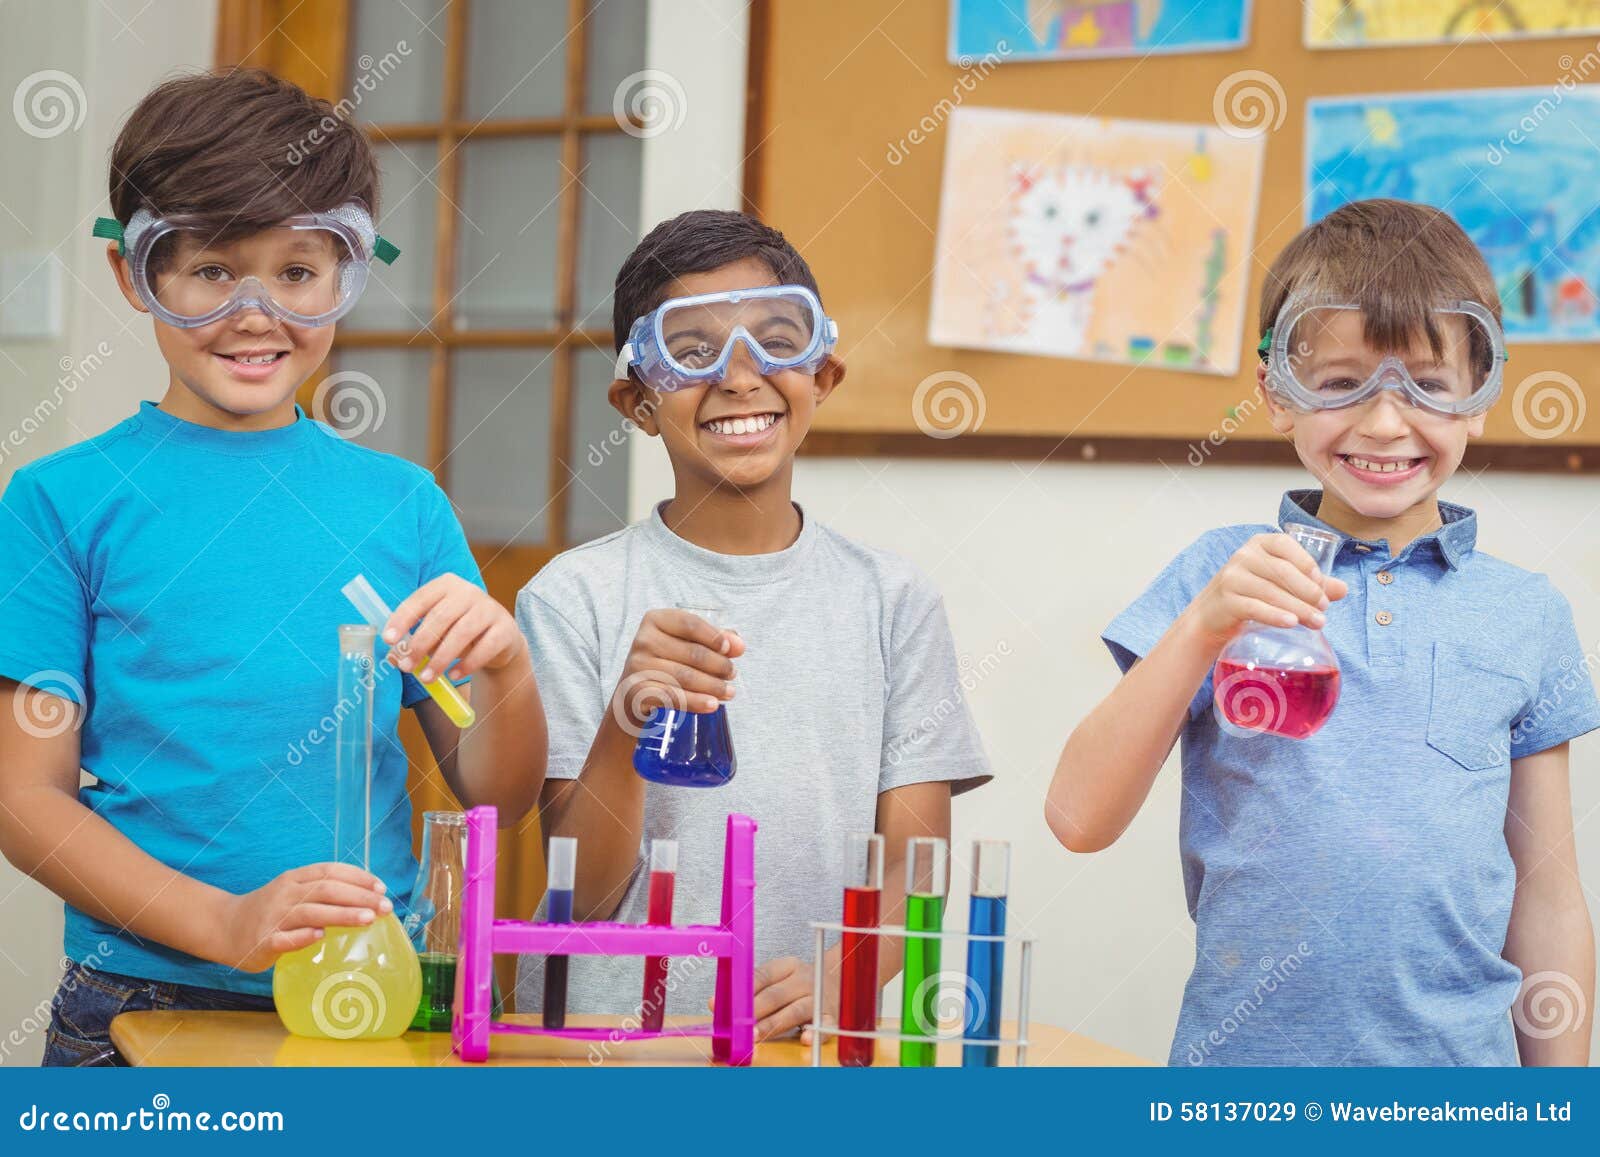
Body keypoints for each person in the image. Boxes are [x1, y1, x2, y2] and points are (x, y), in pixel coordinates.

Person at [0, 70, 547, 1066]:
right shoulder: (60, 502)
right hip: (143, 997)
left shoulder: (404, 506)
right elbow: (24, 797)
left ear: (348, 274)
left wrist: (507, 675)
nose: (256, 313)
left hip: (377, 988)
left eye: (299, 273)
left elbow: (492, 795)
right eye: (209, 271)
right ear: (134, 273)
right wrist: (224, 923)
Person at [1047, 198, 1598, 1066]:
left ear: (1479, 397)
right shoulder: (1221, 577)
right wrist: (1205, 627)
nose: (1385, 422)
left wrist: (1559, 1109)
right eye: (1341, 385)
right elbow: (1078, 818)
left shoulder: (1526, 614)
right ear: (1275, 394)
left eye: (1427, 382)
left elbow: (1549, 893)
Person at [515, 209, 992, 1038]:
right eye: (693, 352)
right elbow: (578, 893)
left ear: (824, 376)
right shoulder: (571, 597)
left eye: (777, 338)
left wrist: (844, 979)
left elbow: (915, 870)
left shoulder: (894, 600)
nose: (740, 377)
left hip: (791, 1042)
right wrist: (629, 710)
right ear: (636, 399)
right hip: (601, 1042)